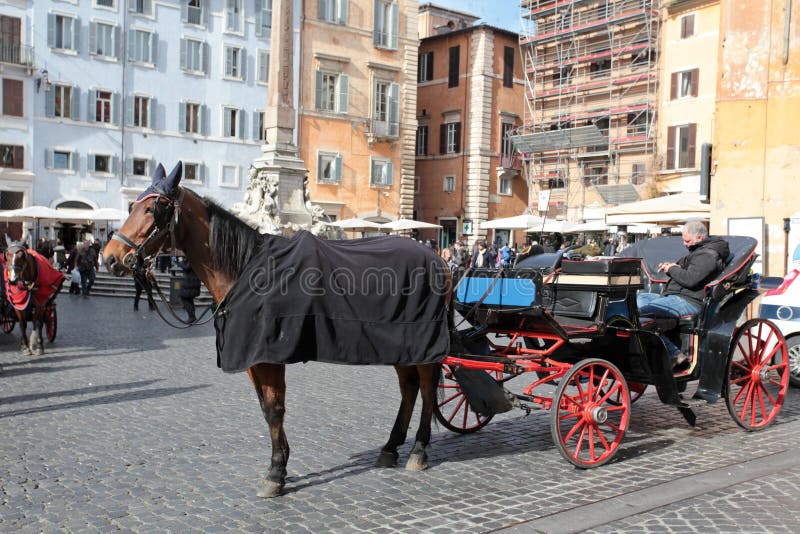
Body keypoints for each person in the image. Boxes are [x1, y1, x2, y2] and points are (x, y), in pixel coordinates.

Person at [637, 220, 730, 368]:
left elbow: (690, 279)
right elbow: (688, 272)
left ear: (699, 238)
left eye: (687, 241)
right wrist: (673, 266)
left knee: (638, 314)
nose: (685, 244)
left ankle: (673, 353)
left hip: (689, 301)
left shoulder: (708, 256)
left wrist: (671, 269)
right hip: (674, 296)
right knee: (637, 300)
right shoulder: (699, 251)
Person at [176, 256, 201, 322]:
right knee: (189, 299)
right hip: (191, 282)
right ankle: (193, 316)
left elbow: (186, 267)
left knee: (184, 298)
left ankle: (191, 317)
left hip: (191, 282)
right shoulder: (192, 256)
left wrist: (181, 261)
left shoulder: (193, 257)